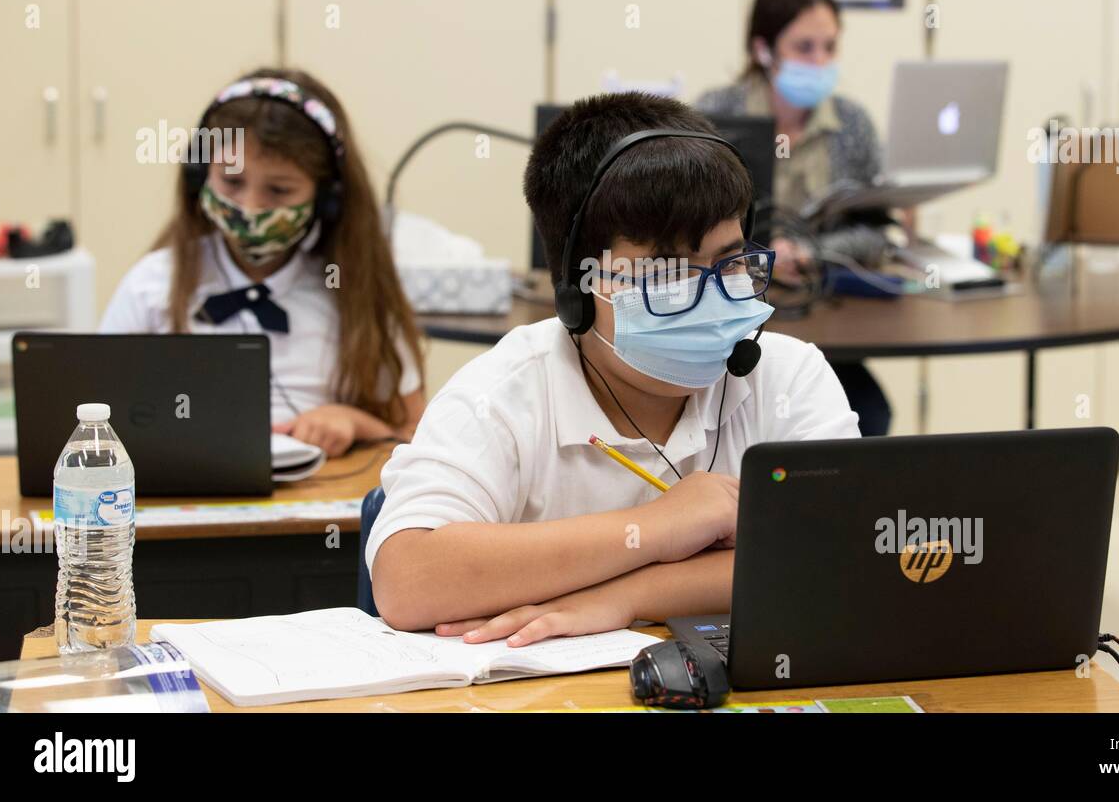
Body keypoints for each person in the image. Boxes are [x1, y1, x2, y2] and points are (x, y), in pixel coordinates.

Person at [368, 92, 860, 642]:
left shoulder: (787, 377)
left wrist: (623, 597)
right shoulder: (504, 395)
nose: (713, 293)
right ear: (577, 291)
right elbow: (407, 580)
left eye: (729, 259)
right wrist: (656, 527)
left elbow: (838, 553)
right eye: (668, 272)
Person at [100, 68, 425, 455]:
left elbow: (418, 439)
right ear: (199, 175)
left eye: (278, 190)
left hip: (320, 506)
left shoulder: (355, 294)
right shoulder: (152, 284)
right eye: (232, 182)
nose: (250, 207)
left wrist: (354, 423)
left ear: (327, 199)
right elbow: (91, 421)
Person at [697, 0, 893, 436]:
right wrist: (756, 259)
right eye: (805, 46)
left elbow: (879, 232)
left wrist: (809, 252)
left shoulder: (852, 124)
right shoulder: (714, 115)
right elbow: (688, 225)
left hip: (827, 318)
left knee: (870, 414)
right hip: (730, 320)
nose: (820, 61)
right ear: (763, 49)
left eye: (829, 47)